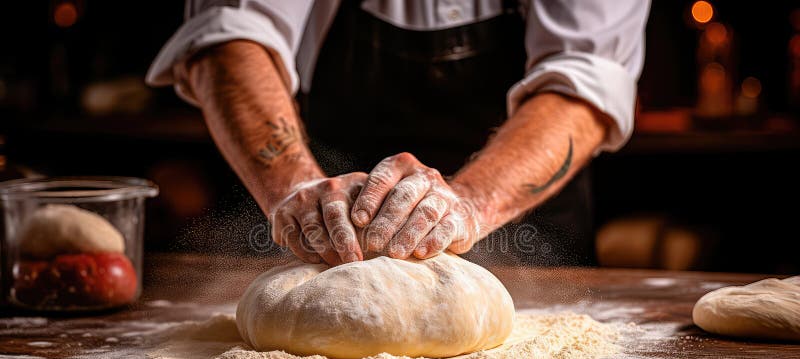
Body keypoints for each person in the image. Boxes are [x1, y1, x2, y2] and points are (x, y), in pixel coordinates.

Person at [148, 0, 649, 266]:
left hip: (524, 220)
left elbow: (586, 76)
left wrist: (468, 204)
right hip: (326, 217)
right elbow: (230, 33)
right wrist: (294, 186)